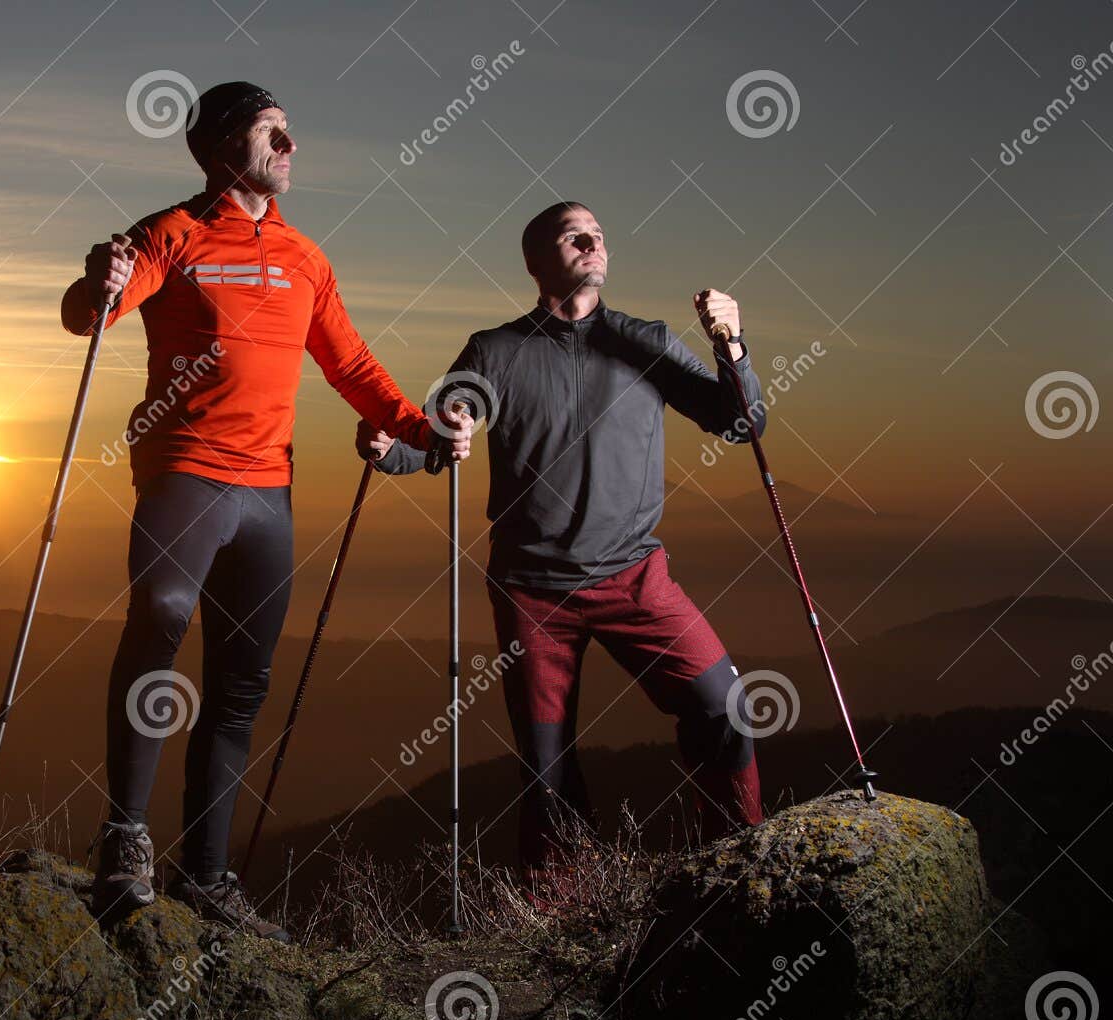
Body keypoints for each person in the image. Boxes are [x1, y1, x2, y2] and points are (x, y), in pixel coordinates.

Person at [61, 82, 472, 940]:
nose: (289, 142)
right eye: (269, 130)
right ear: (220, 149)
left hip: (268, 494)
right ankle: (123, 839)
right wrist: (94, 281)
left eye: (290, 129)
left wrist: (424, 432)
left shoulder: (305, 258)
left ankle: (205, 877)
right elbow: (86, 314)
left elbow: (352, 365)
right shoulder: (170, 234)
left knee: (242, 683)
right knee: (162, 615)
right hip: (184, 473)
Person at [358, 201, 765, 901]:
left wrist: (732, 345)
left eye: (600, 234)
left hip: (637, 575)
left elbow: (742, 421)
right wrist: (388, 446)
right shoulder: (495, 349)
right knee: (546, 766)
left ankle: (740, 873)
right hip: (532, 590)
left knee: (724, 708)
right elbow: (435, 440)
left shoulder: (649, 341)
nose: (593, 241)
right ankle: (556, 911)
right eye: (574, 234)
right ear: (537, 260)